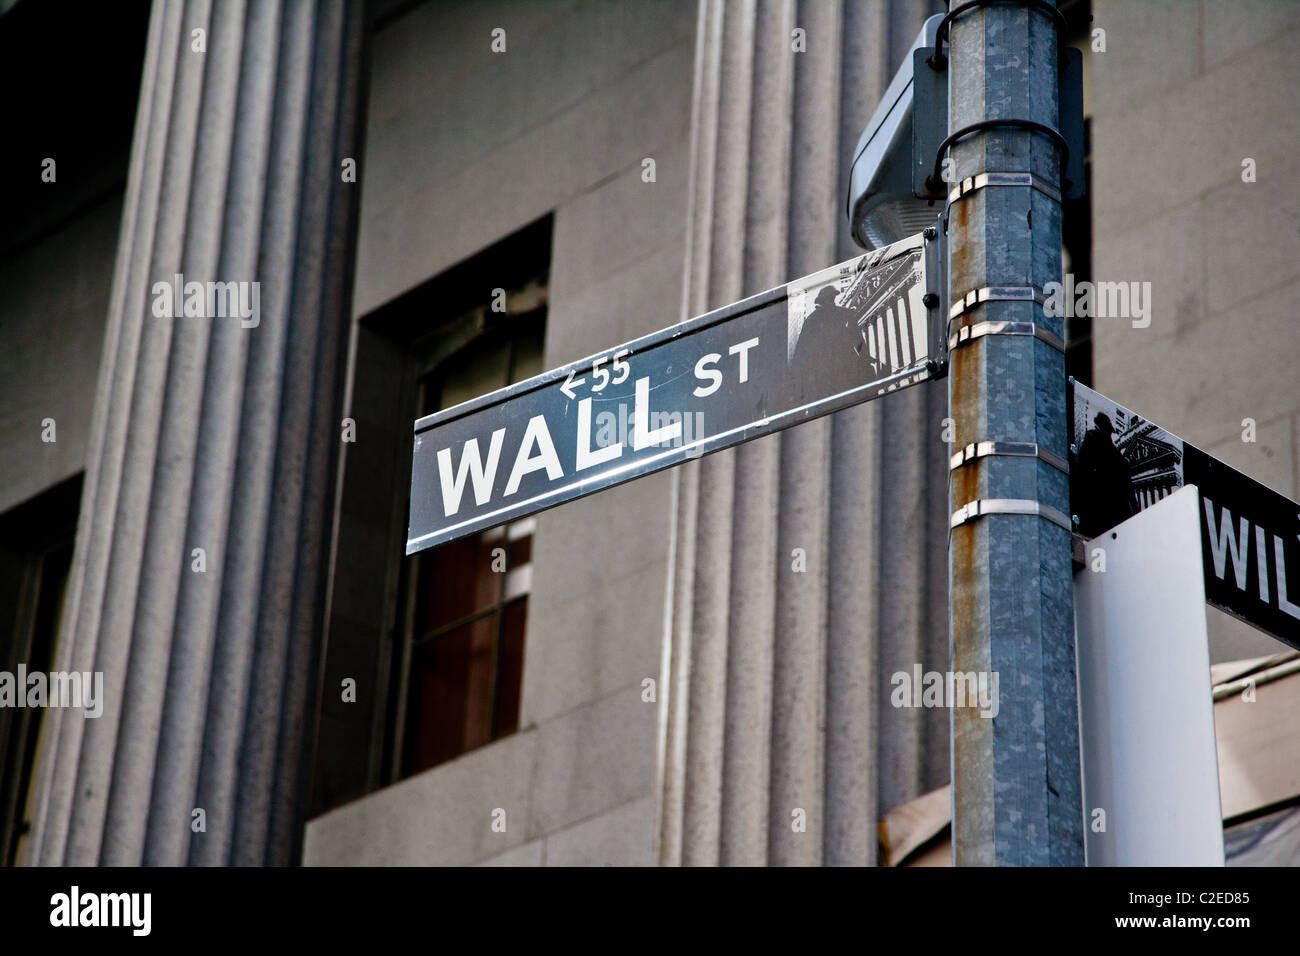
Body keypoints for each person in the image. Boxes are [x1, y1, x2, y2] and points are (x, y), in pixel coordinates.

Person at [1073, 412, 1137, 537]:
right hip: (1101, 501)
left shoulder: (1106, 444)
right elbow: (1088, 468)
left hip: (1108, 502)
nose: (1110, 434)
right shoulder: (1094, 438)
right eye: (1109, 430)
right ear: (1103, 427)